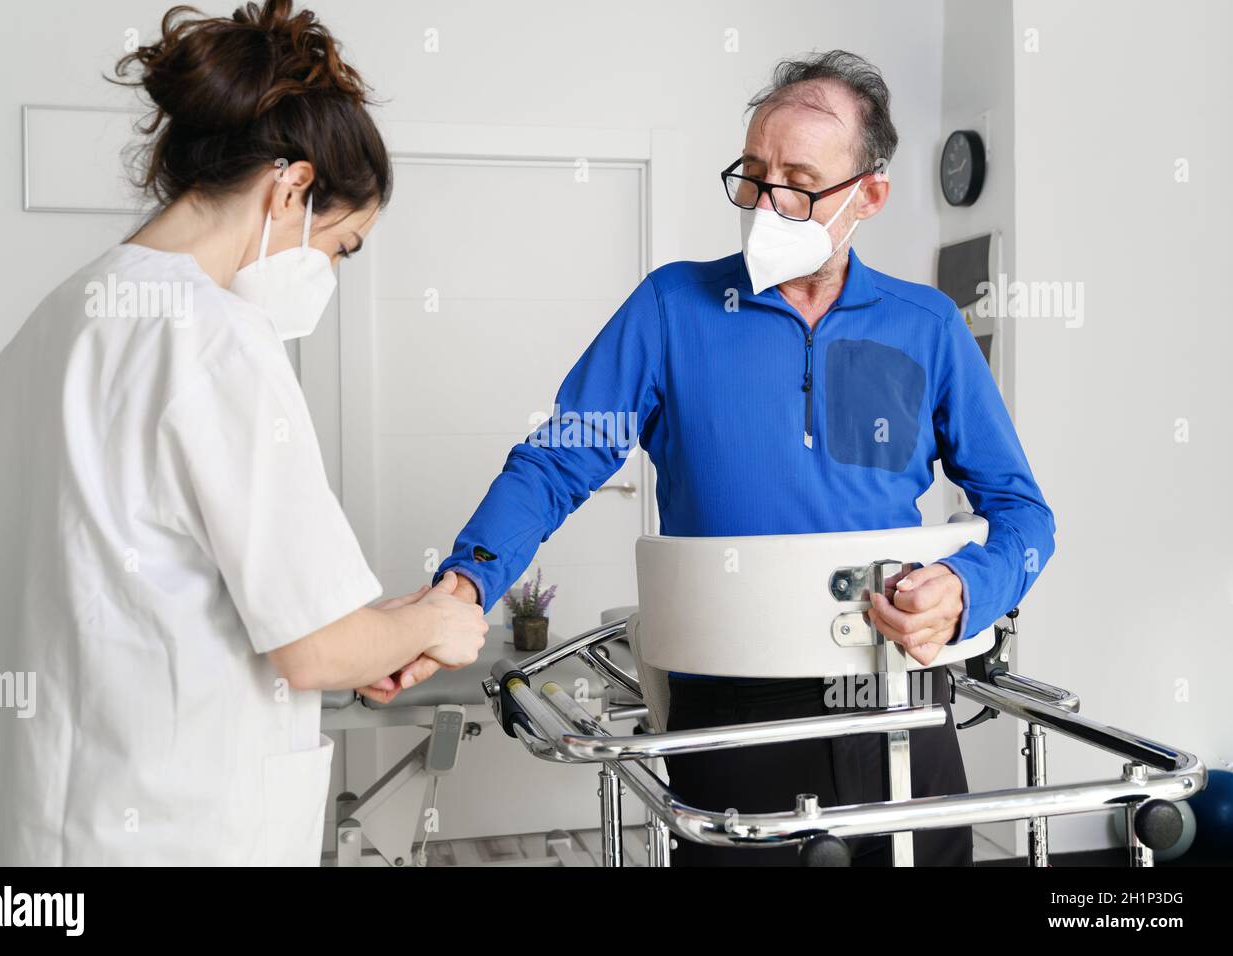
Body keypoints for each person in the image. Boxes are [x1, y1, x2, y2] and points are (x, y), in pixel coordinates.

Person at [434, 51, 1056, 866]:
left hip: (897, 697)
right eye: (753, 175)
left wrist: (971, 589)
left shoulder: (927, 326)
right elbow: (557, 461)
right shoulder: (669, 307)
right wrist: (467, 578)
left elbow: (1022, 513)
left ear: (869, 195)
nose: (765, 203)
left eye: (798, 181)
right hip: (731, 712)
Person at [0, 0, 486, 866]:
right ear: (291, 187)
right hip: (180, 829)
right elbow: (314, 650)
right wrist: (439, 622)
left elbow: (164, 578)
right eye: (341, 247)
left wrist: (374, 628)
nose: (328, 275)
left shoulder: (48, 327)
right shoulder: (218, 339)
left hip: (52, 833)